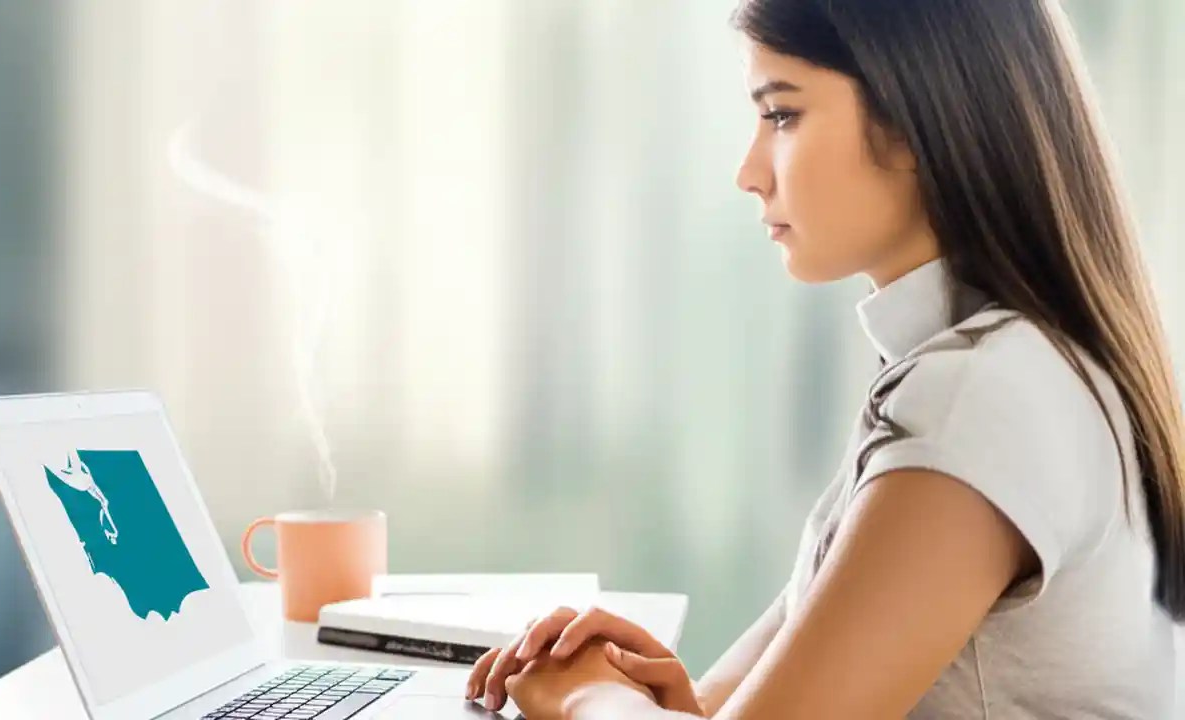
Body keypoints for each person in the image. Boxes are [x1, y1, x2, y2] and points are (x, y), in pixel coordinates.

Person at [464, 0, 1185, 718]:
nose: (749, 172)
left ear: (911, 120)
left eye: (782, 115)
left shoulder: (977, 398)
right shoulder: (978, 371)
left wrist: (584, 694)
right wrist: (656, 698)